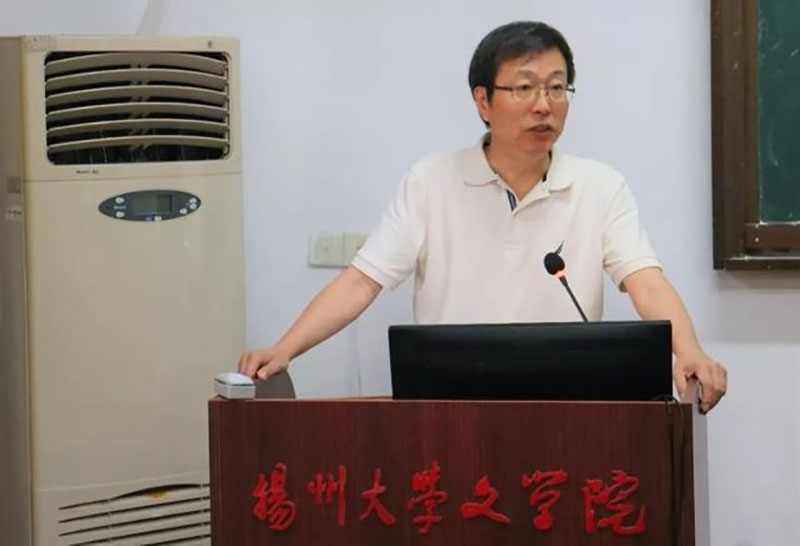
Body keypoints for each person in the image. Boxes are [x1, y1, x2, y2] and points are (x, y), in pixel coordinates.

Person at [240, 21, 727, 412]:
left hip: (567, 412)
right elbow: (362, 281)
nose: (544, 105)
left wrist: (689, 352)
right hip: (451, 410)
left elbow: (646, 282)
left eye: (557, 88)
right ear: (482, 100)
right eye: (525, 88)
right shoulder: (431, 180)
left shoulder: (601, 186)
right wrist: (286, 349)